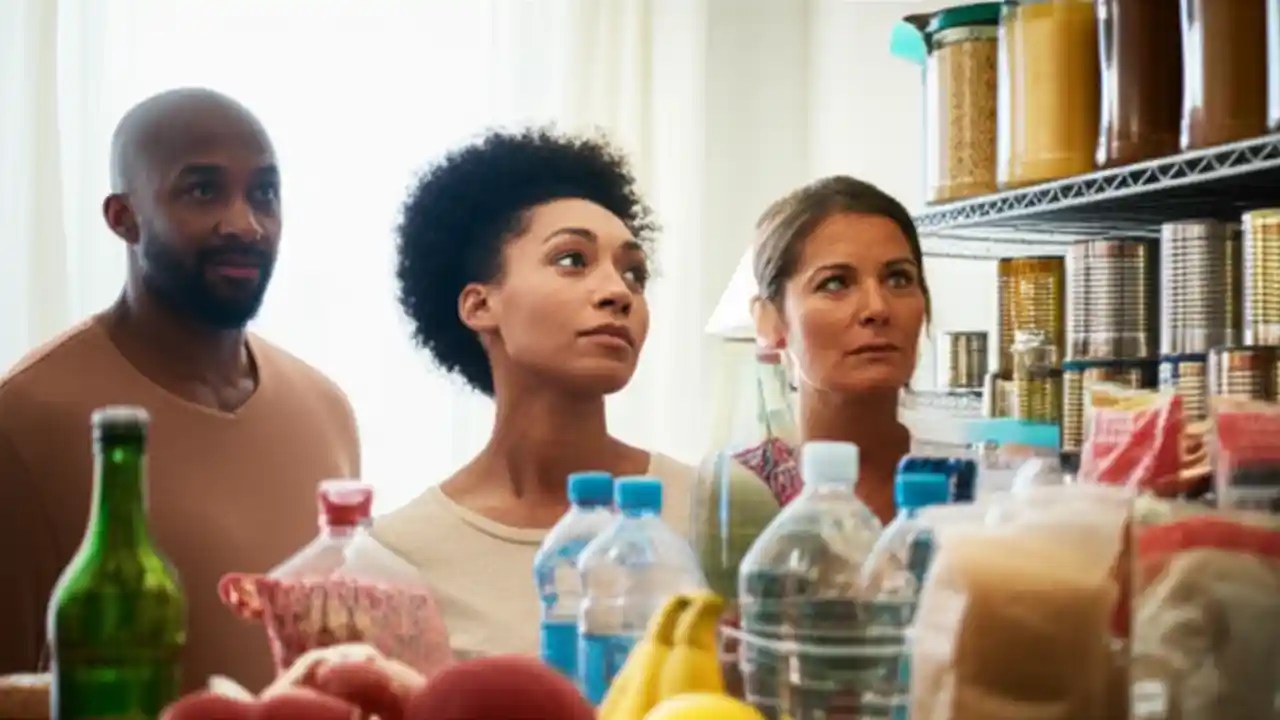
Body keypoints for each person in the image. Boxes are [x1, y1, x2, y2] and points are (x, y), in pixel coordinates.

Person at [0, 88, 361, 691]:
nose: (245, 224)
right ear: (123, 217)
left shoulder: (326, 409)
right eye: (203, 191)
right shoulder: (27, 419)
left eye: (264, 193)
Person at [371, 128, 696, 659]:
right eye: (572, 260)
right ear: (480, 306)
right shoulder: (398, 556)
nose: (618, 292)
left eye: (634, 274)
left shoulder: (707, 510)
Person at [720, 175, 931, 526]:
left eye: (898, 279)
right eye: (835, 283)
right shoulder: (740, 491)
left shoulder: (974, 484)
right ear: (769, 320)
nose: (877, 308)